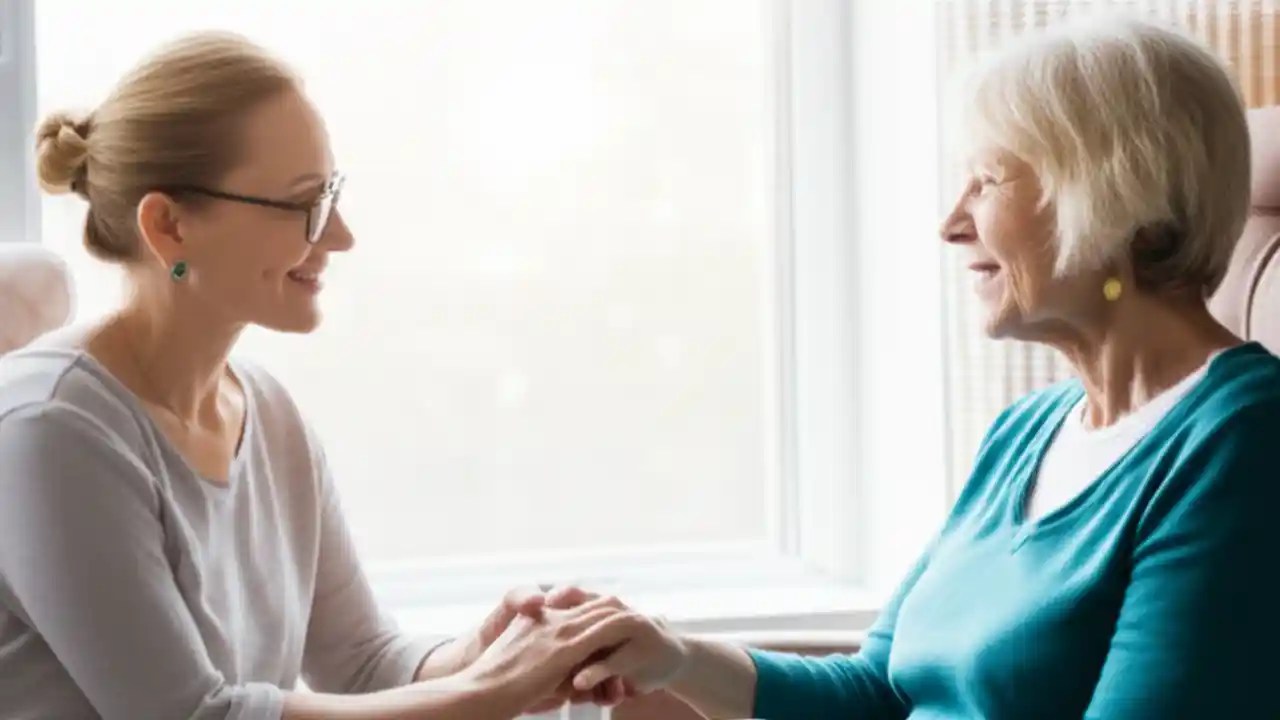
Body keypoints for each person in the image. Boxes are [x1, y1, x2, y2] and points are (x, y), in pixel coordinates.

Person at [531, 17, 1280, 719]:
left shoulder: (1241, 440)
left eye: (987, 180)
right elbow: (875, 691)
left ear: (1115, 189)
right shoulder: (1027, 431)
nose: (952, 223)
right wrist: (671, 656)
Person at [0, 32, 632, 720]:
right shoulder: (48, 432)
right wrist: (490, 690)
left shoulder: (266, 412)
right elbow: (196, 716)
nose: (339, 237)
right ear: (169, 226)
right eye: (306, 203)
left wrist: (490, 650)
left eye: (331, 193)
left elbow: (363, 663)